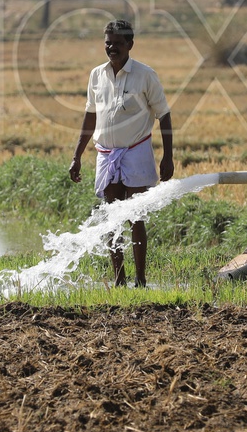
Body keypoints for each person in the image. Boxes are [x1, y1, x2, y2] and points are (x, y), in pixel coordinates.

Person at [69, 18, 173, 287]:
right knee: (111, 217)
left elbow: (164, 114)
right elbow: (90, 115)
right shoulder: (97, 75)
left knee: (135, 217)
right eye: (108, 43)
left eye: (117, 43)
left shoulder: (144, 75)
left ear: (130, 44)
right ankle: (119, 278)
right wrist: (77, 155)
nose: (112, 48)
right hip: (106, 153)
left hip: (136, 152)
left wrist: (168, 156)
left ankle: (140, 278)